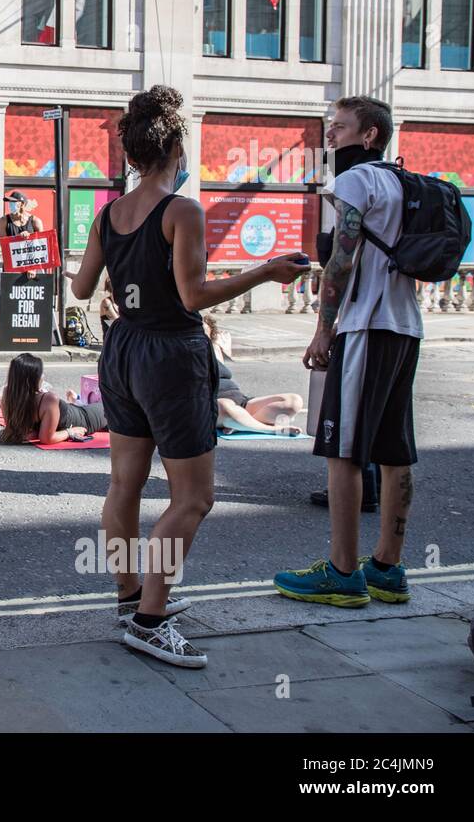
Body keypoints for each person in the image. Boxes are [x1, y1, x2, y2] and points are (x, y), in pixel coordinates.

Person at [71, 85, 308, 668]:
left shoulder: (110, 213)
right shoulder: (183, 210)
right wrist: (266, 270)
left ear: (131, 152)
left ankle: (130, 597)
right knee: (195, 497)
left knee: (123, 486)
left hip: (121, 348)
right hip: (171, 355)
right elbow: (194, 294)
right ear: (176, 144)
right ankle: (151, 620)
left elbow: (80, 290)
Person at [275, 96, 422, 607]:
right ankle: (387, 566)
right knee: (395, 450)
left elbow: (341, 261)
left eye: (340, 127)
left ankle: (342, 571)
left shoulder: (356, 180)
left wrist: (323, 329)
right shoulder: (404, 182)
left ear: (371, 136)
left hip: (364, 326)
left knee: (342, 450)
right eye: (330, 126)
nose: (330, 135)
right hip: (405, 327)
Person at [0, 353, 107, 445]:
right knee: (111, 408)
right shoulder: (48, 399)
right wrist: (71, 432)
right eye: (41, 373)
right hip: (85, 419)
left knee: (108, 409)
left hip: (80, 412)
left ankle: (77, 399)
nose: (43, 376)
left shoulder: (8, 394)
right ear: (32, 379)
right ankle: (78, 399)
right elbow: (46, 439)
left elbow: (13, 429)